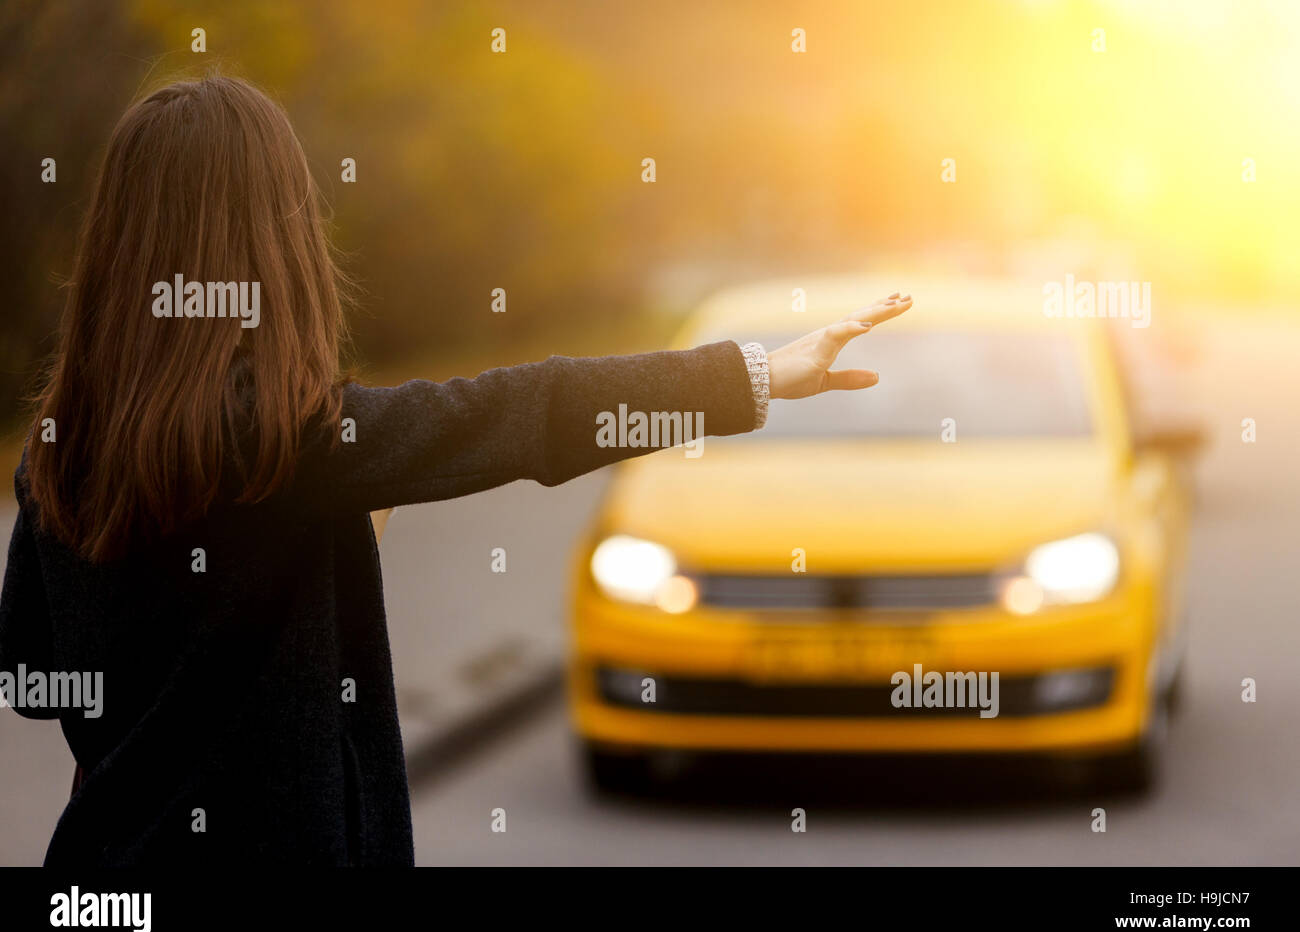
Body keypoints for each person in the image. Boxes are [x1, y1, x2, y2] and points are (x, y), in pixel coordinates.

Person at [0, 75, 911, 865]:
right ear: (269, 244)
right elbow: (523, 412)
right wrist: (750, 375)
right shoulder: (293, 443)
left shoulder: (54, 453)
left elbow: (35, 675)